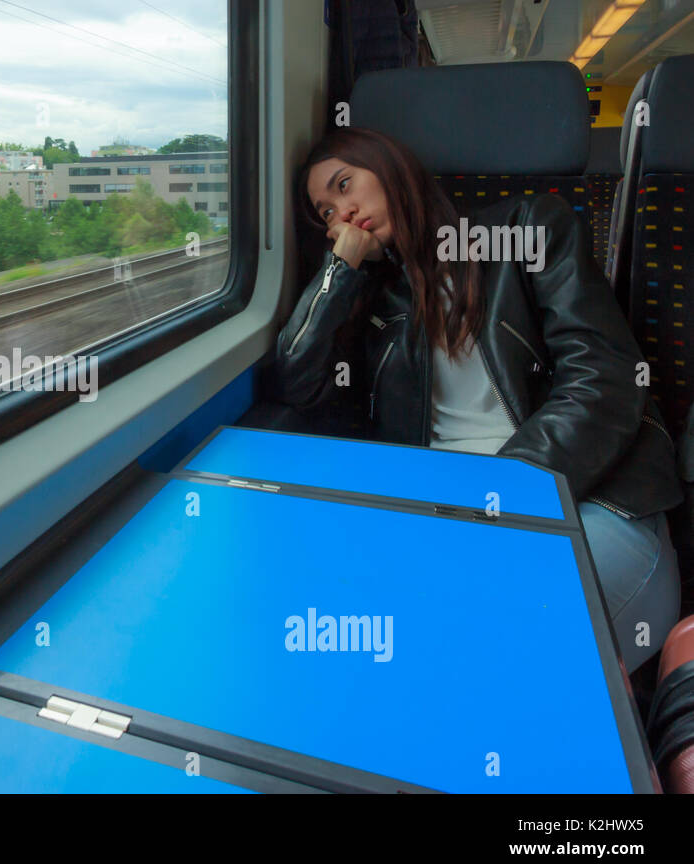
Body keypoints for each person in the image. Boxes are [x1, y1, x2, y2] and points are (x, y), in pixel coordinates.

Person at [271, 126, 683, 673]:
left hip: (589, 497)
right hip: (450, 518)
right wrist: (338, 270)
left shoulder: (528, 228)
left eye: (346, 186)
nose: (343, 214)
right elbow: (297, 378)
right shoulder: (371, 302)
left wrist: (496, 498)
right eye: (326, 213)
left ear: (389, 165)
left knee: (458, 640)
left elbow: (605, 380)